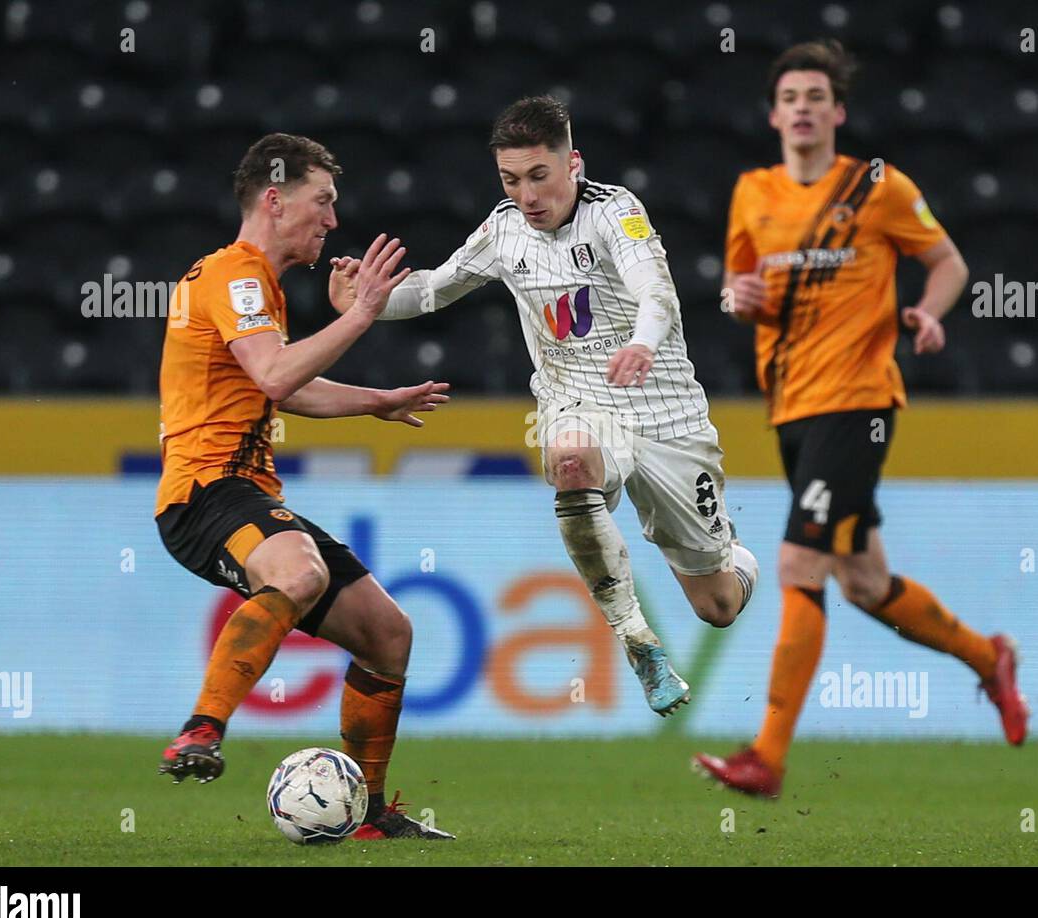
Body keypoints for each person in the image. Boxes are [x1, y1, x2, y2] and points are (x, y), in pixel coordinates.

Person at [330, 96, 759, 717]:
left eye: (539, 176)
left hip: (667, 415)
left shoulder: (615, 212)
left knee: (717, 606)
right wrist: (364, 304)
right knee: (571, 461)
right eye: (511, 180)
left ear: (572, 163)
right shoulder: (503, 229)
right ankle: (638, 642)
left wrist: (642, 344)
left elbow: (657, 294)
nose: (527, 196)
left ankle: (733, 556)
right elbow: (431, 290)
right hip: (577, 402)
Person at [694, 40, 1029, 798]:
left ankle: (767, 756)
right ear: (774, 115)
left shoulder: (877, 187)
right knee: (865, 583)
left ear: (837, 112)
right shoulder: (752, 192)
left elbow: (949, 263)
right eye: (790, 98)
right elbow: (739, 288)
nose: (803, 109)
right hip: (792, 407)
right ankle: (990, 658)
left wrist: (930, 314)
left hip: (859, 402)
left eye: (816, 97)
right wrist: (734, 298)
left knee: (797, 565)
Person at [155, 132, 453, 839]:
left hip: (244, 491)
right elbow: (275, 375)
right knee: (299, 571)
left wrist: (377, 401)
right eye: (322, 201)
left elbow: (285, 386)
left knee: (387, 633)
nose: (332, 219)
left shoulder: (253, 282)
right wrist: (362, 313)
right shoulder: (236, 273)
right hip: (205, 490)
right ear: (274, 199)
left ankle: (370, 815)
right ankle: (201, 729)